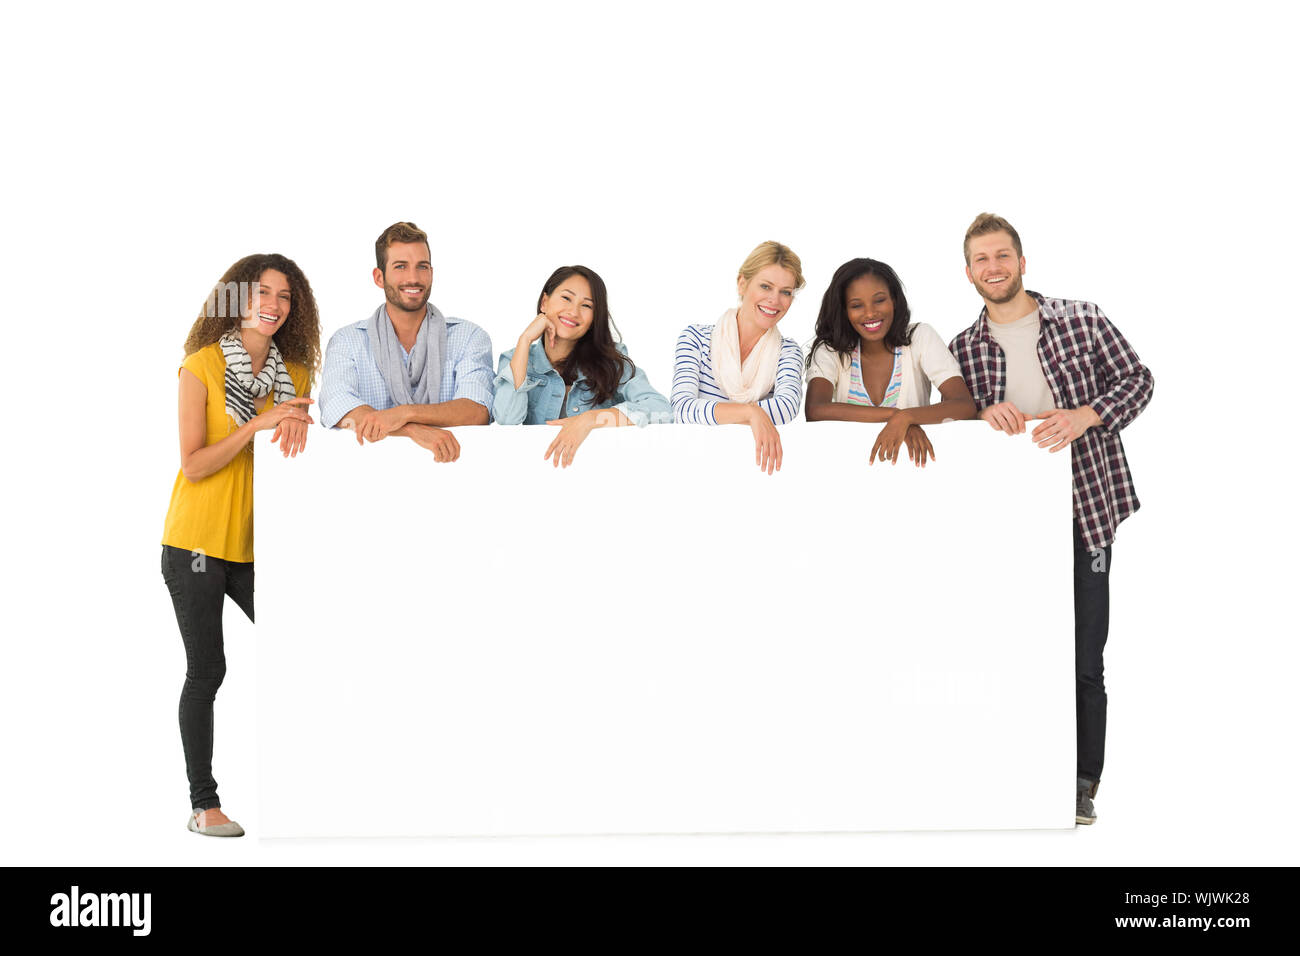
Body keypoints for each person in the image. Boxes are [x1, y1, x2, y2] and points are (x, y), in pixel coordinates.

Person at [948, 213, 1154, 826]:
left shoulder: (1080, 318)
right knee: (1013, 649)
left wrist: (1087, 413)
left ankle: (1082, 783)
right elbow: (956, 420)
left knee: (1085, 654)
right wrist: (980, 417)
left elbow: (1140, 381)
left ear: (1022, 260)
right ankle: (1015, 771)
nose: (995, 267)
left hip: (1086, 506)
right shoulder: (963, 347)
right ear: (968, 272)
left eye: (1003, 255)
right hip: (1008, 528)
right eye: (982, 259)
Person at [161, 253, 321, 837]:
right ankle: (204, 806)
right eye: (262, 293)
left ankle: (318, 789)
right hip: (197, 543)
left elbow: (302, 450)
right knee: (208, 670)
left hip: (262, 544)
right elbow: (194, 464)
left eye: (285, 296)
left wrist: (298, 420)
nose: (273, 306)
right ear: (236, 299)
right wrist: (259, 423)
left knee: (305, 650)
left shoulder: (298, 374)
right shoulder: (199, 367)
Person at [318, 221, 493, 460]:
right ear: (379, 277)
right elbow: (337, 406)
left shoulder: (469, 337)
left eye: (422, 267)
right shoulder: (347, 341)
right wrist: (412, 429)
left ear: (431, 274)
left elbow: (478, 411)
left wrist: (403, 413)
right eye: (400, 266)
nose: (413, 278)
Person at [493, 265, 671, 467]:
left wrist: (590, 420)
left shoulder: (613, 363)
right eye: (566, 298)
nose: (574, 312)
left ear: (594, 318)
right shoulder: (514, 359)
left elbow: (661, 409)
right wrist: (524, 340)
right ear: (544, 302)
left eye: (587, 306)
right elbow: (507, 419)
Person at [805, 257, 976, 464]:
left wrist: (907, 418)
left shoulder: (919, 336)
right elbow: (815, 410)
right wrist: (896, 416)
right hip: (849, 465)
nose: (870, 313)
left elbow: (964, 406)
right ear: (844, 311)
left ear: (894, 299)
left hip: (913, 467)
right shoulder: (831, 350)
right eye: (856, 305)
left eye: (879, 300)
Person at [672, 241, 805, 474]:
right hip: (692, 465)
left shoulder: (789, 352)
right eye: (766, 286)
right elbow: (681, 409)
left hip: (753, 471)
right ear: (742, 283)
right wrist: (751, 413)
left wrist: (714, 412)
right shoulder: (695, 338)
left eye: (786, 292)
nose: (775, 300)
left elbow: (786, 408)